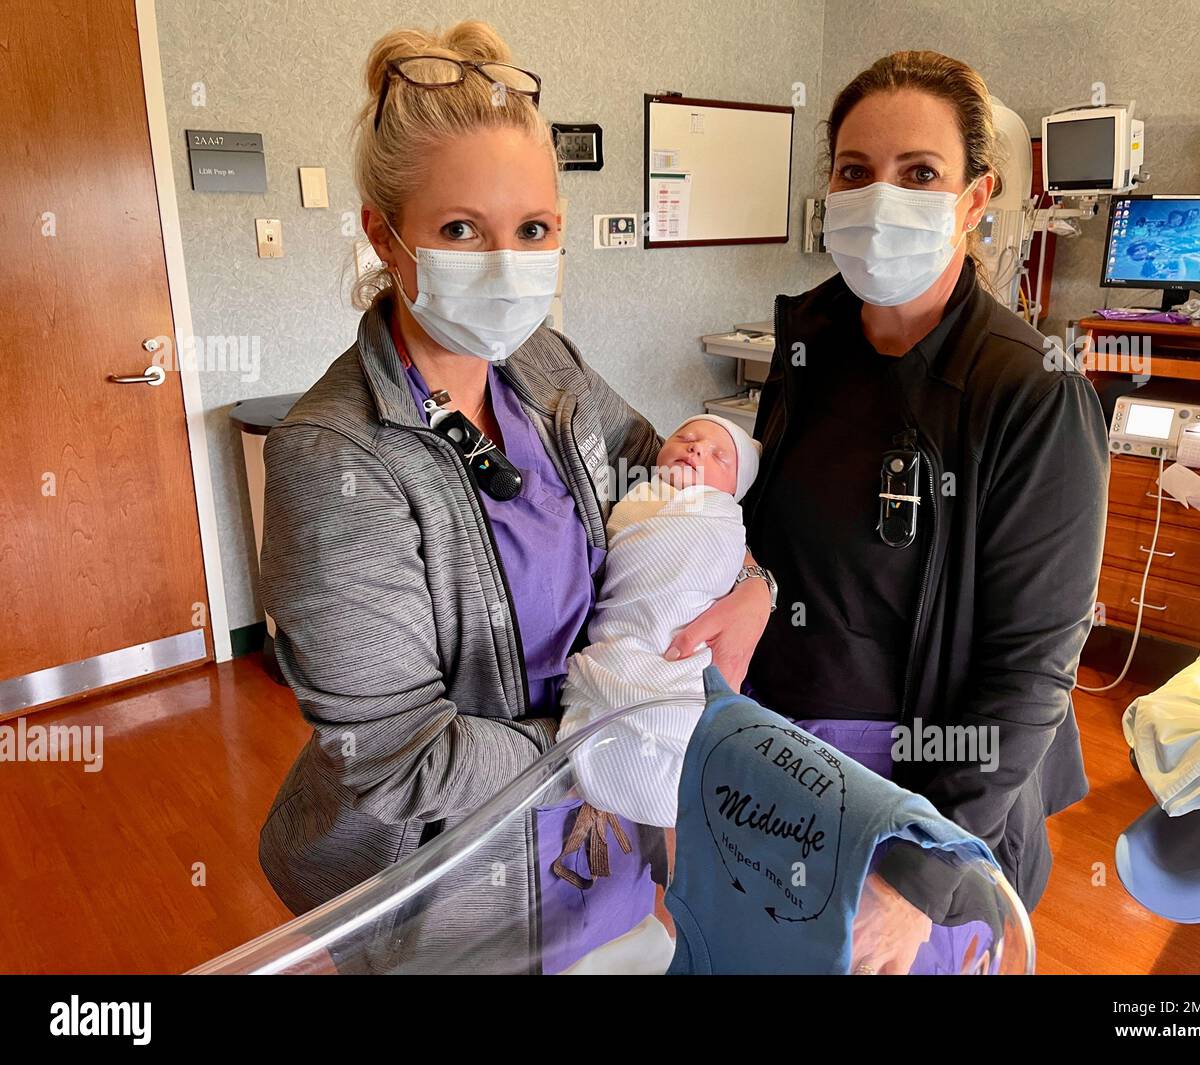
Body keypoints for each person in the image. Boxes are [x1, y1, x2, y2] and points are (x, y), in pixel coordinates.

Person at [255, 20, 772, 972]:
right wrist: (620, 728)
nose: (506, 263)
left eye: (532, 229)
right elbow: (398, 761)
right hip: (455, 891)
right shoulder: (332, 459)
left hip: (598, 850)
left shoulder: (541, 364)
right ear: (385, 233)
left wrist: (755, 585)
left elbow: (678, 482)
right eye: (460, 230)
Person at [741, 50, 1109, 973]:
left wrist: (916, 878)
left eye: (920, 174)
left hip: (929, 793)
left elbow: (1028, 676)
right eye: (856, 172)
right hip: (785, 759)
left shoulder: (1027, 392)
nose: (881, 196)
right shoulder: (808, 342)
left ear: (975, 199)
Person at [558, 415, 761, 827]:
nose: (696, 448)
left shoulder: (721, 520)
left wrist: (758, 587)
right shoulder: (637, 497)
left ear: (734, 492)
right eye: (684, 436)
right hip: (624, 633)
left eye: (719, 456)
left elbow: (716, 568)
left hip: (678, 650)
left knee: (686, 702)